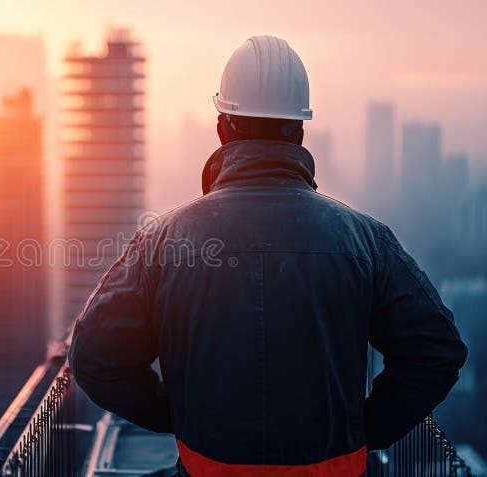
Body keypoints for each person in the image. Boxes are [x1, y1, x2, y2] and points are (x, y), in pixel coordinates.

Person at [68, 35, 467, 477]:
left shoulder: (163, 240)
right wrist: (362, 429)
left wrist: (176, 414)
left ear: (223, 127)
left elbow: (94, 357)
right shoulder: (364, 240)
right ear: (299, 129)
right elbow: (437, 350)